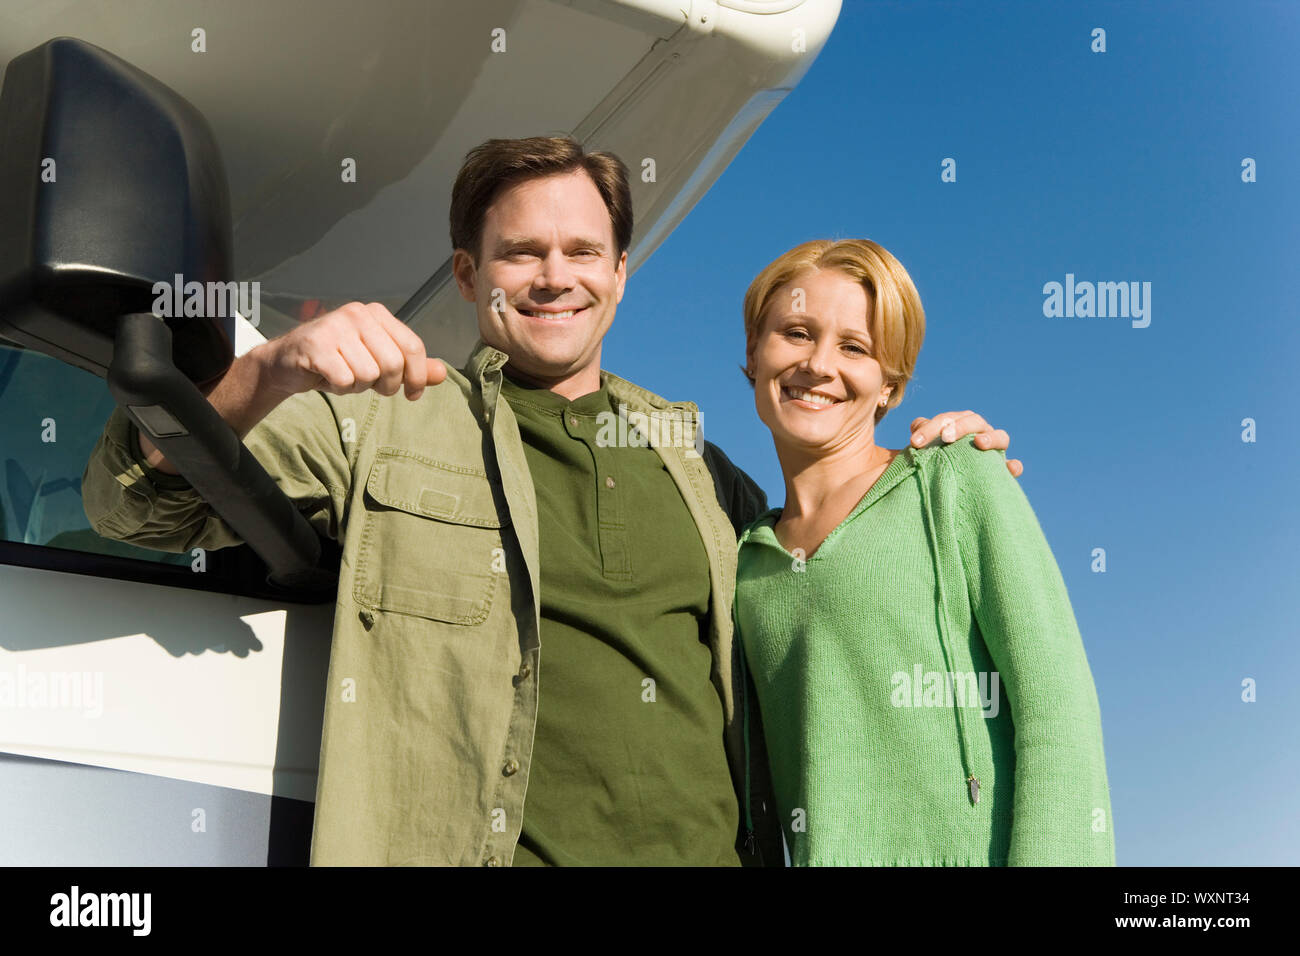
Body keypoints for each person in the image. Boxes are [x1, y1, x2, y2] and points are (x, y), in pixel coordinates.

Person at [82, 138, 1018, 866]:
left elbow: (831, 560)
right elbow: (135, 508)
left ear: (619, 273)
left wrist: (934, 472)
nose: (553, 275)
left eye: (583, 250)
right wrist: (266, 370)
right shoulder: (376, 421)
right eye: (520, 252)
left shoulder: (701, 468)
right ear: (467, 276)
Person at [733, 238, 1115, 865]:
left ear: (892, 382)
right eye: (795, 333)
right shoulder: (744, 562)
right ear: (753, 352)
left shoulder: (958, 478)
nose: (819, 363)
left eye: (855, 346)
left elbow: (1057, 706)